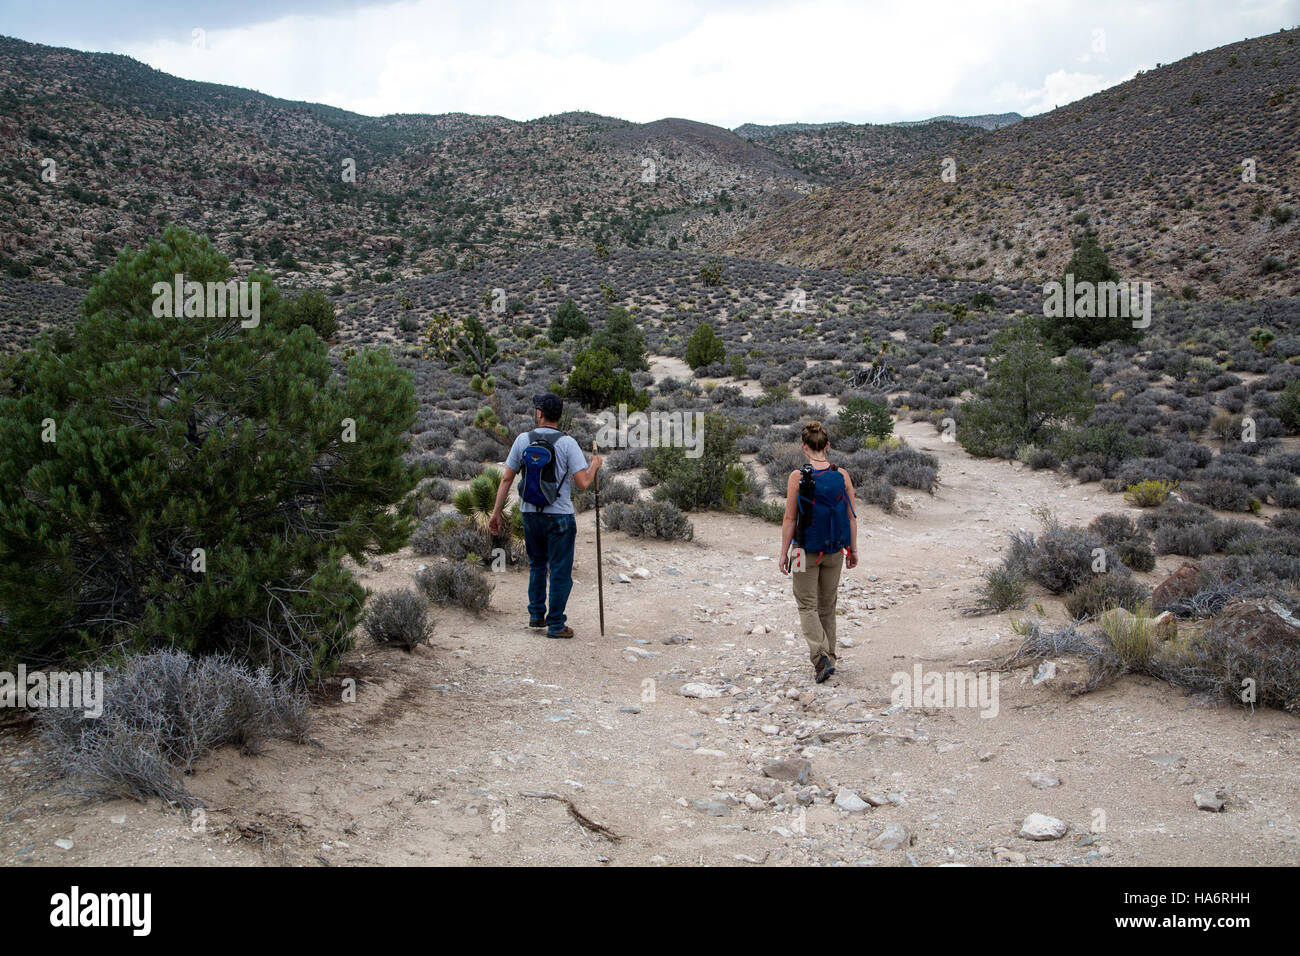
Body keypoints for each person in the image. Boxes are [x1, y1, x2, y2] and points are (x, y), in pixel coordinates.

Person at [489, 393, 602, 639]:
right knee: (560, 569)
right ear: (559, 415)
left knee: (537, 564)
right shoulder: (568, 443)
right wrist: (594, 466)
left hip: (529, 513)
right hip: (559, 515)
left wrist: (496, 512)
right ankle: (556, 624)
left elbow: (507, 478)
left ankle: (536, 614)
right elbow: (583, 483)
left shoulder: (522, 440)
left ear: (540, 413)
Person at [779, 421, 858, 683]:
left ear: (804, 447)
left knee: (806, 605)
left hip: (802, 552)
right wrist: (853, 550)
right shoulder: (842, 475)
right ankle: (830, 657)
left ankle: (820, 656)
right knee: (827, 605)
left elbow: (790, 519)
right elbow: (851, 517)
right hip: (835, 551)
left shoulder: (797, 477)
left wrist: (783, 553)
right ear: (828, 446)